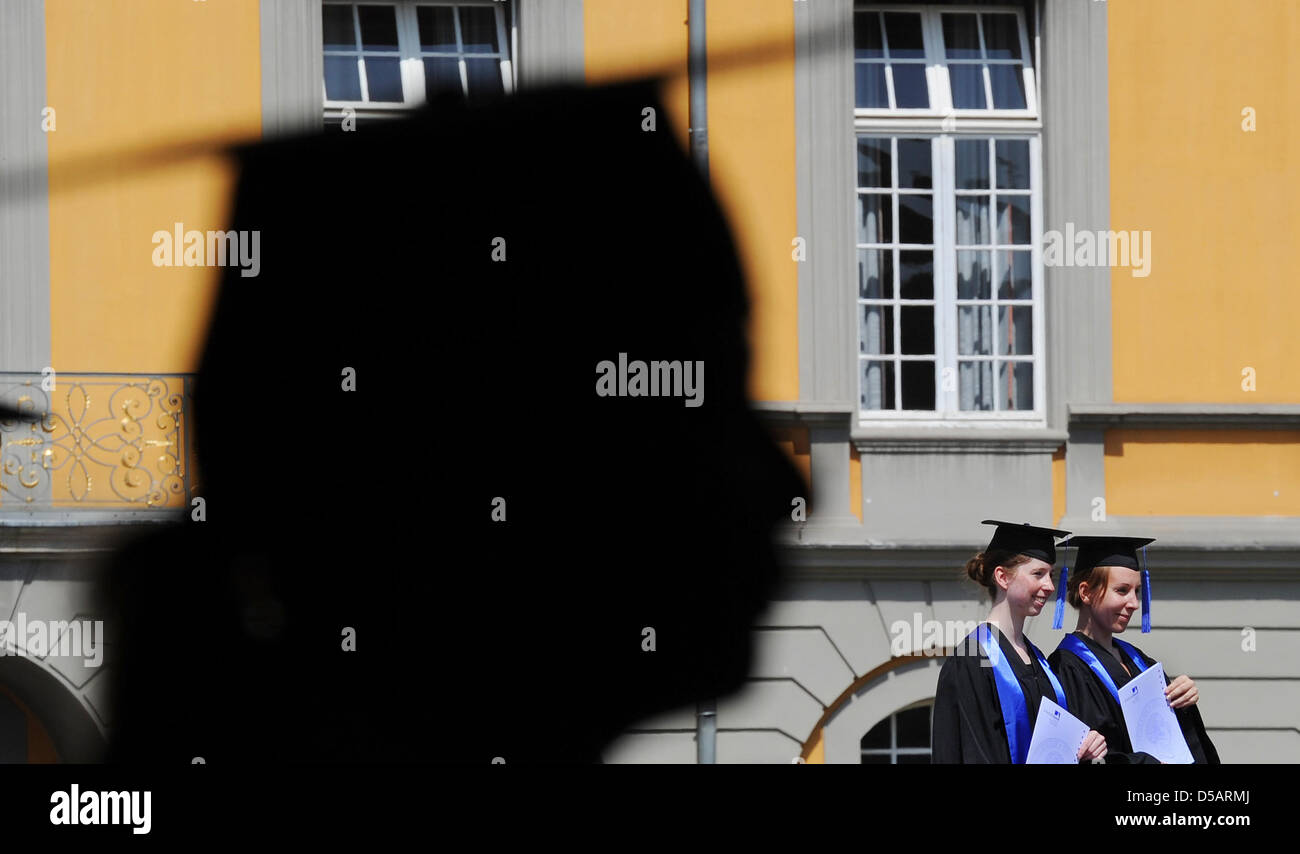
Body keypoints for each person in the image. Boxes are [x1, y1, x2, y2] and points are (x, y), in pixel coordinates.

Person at [932, 520, 1107, 764]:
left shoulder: (1038, 659)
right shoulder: (973, 658)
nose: (1049, 586)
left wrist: (1084, 743)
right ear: (1003, 577)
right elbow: (973, 752)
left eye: (1051, 574)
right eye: (1038, 574)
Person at [1047, 535, 1220, 764]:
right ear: (1086, 592)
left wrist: (1183, 703)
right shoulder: (1066, 667)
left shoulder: (1138, 659)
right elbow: (1085, 756)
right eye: (1122, 590)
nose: (1134, 603)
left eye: (1136, 591)